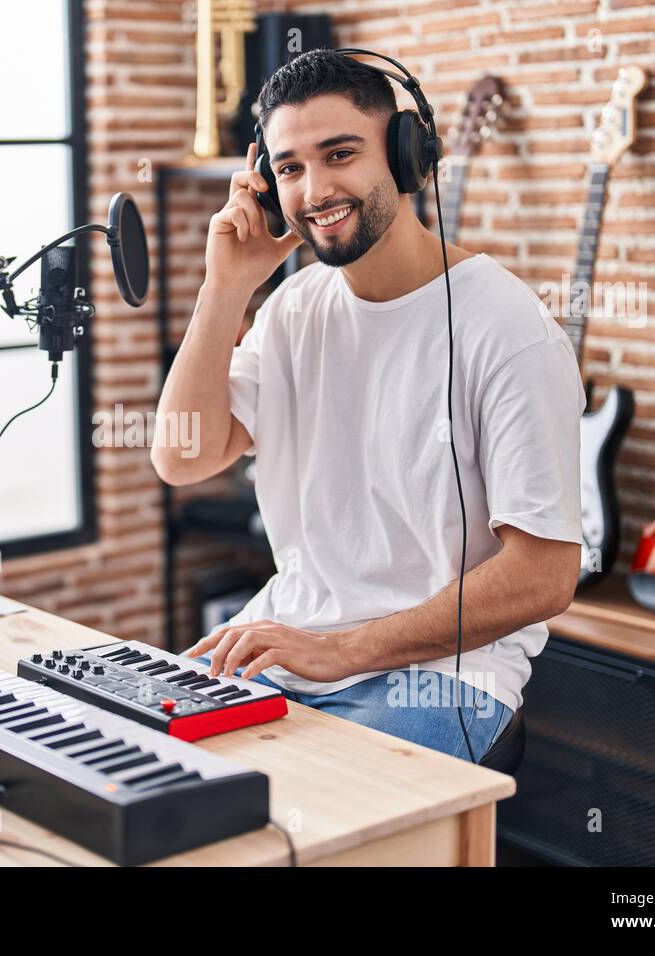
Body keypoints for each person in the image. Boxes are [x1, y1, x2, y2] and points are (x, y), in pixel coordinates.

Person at [150, 50, 584, 762]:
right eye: (288, 168)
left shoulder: (509, 331)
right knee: (144, 774)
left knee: (307, 815)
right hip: (286, 652)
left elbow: (544, 574)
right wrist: (224, 289)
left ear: (409, 155)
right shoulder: (292, 309)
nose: (315, 189)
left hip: (443, 680)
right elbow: (182, 455)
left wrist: (342, 650)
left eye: (340, 154)